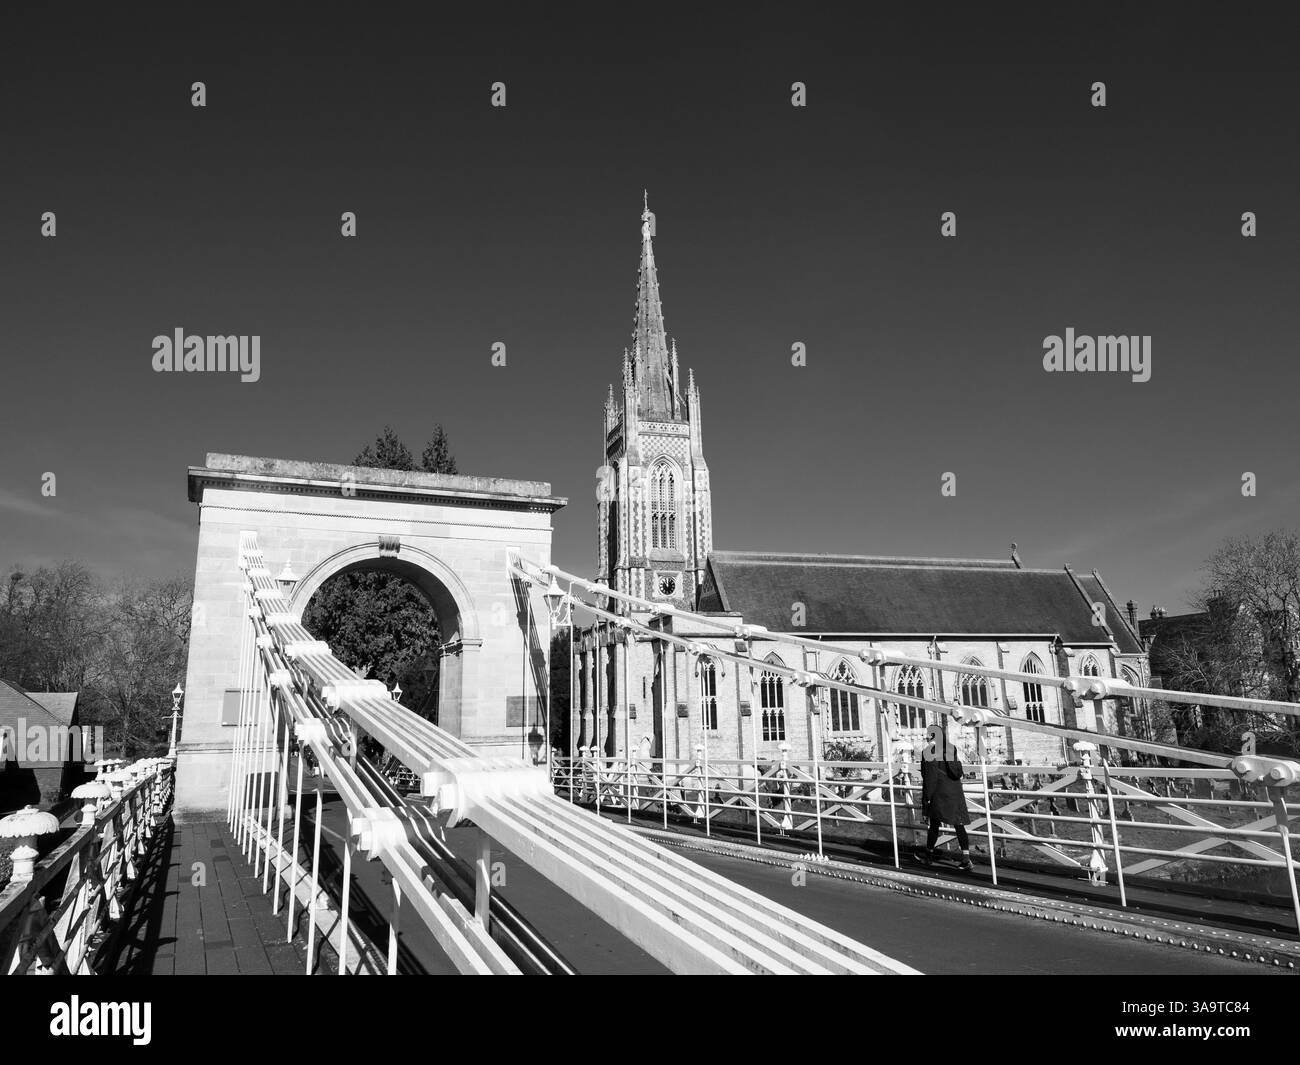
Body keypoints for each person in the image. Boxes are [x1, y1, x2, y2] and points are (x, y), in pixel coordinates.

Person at [918, 726, 974, 871]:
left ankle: (928, 855)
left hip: (939, 792)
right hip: (955, 791)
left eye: (928, 735)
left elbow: (930, 777)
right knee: (959, 824)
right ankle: (966, 859)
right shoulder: (950, 748)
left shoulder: (929, 752)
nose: (926, 737)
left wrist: (926, 798)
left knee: (934, 823)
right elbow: (957, 771)